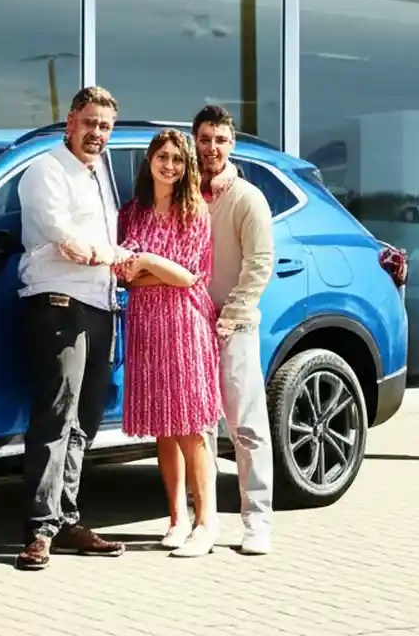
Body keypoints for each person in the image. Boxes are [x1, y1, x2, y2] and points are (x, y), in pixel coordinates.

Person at [13, 85, 130, 571]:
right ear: (70, 122)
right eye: (89, 124)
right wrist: (121, 257)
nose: (97, 134)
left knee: (84, 422)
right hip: (60, 304)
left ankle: (68, 520)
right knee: (55, 417)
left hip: (101, 306)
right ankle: (39, 529)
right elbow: (69, 242)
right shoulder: (46, 170)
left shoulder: (99, 174)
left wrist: (117, 263)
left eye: (104, 127)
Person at [114, 128, 224, 557]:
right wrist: (150, 268)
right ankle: (177, 517)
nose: (170, 166)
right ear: (150, 161)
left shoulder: (194, 212)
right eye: (163, 157)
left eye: (178, 160)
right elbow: (122, 273)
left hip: (185, 323)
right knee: (163, 426)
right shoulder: (132, 213)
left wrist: (145, 262)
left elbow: (188, 275)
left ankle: (206, 522)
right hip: (145, 324)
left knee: (191, 427)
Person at [192, 104, 276, 556]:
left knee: (245, 425)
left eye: (220, 140)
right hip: (190, 325)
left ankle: (257, 521)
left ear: (232, 144)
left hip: (234, 326)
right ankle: (204, 521)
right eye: (204, 139)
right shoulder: (187, 195)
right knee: (199, 425)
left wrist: (233, 314)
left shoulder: (246, 198)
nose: (211, 148)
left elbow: (259, 263)